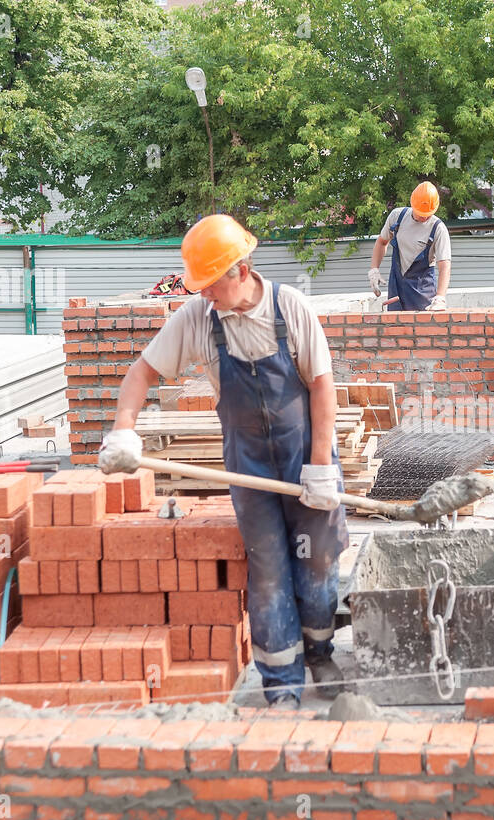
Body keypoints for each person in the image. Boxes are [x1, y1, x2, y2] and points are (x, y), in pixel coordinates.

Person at [98, 214, 347, 708]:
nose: (204, 293)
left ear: (239, 271)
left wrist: (320, 467)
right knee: (270, 571)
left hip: (306, 459)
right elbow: (139, 374)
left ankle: (320, 652)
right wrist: (123, 430)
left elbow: (323, 389)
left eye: (210, 284)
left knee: (316, 567)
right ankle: (282, 688)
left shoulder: (289, 307)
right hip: (249, 467)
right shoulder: (197, 318)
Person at [368, 181, 452, 311]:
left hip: (422, 291)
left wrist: (440, 297)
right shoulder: (397, 217)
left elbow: (444, 266)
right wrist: (374, 269)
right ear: (412, 204)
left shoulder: (438, 229)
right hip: (396, 286)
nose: (424, 217)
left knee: (423, 329)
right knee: (394, 328)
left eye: (427, 214)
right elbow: (381, 242)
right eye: (421, 213)